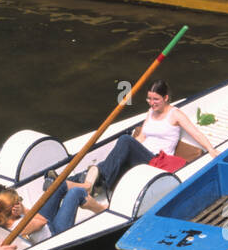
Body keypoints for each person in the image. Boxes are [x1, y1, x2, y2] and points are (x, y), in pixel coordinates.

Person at [79, 80, 220, 195]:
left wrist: (211, 149)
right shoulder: (150, 112)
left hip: (156, 160)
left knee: (125, 140)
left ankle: (101, 183)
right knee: (113, 157)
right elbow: (141, 137)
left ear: (165, 98)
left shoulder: (175, 114)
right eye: (149, 99)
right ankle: (74, 181)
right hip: (141, 155)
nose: (152, 103)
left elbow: (195, 133)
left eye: (156, 99)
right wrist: (126, 151)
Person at [0, 183, 100, 244]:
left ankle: (87, 187)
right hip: (55, 233)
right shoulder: (21, 225)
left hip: (42, 225)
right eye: (18, 200)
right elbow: (44, 221)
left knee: (57, 186)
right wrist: (24, 210)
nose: (20, 202)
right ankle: (101, 209)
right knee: (76, 192)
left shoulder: (0, 217)